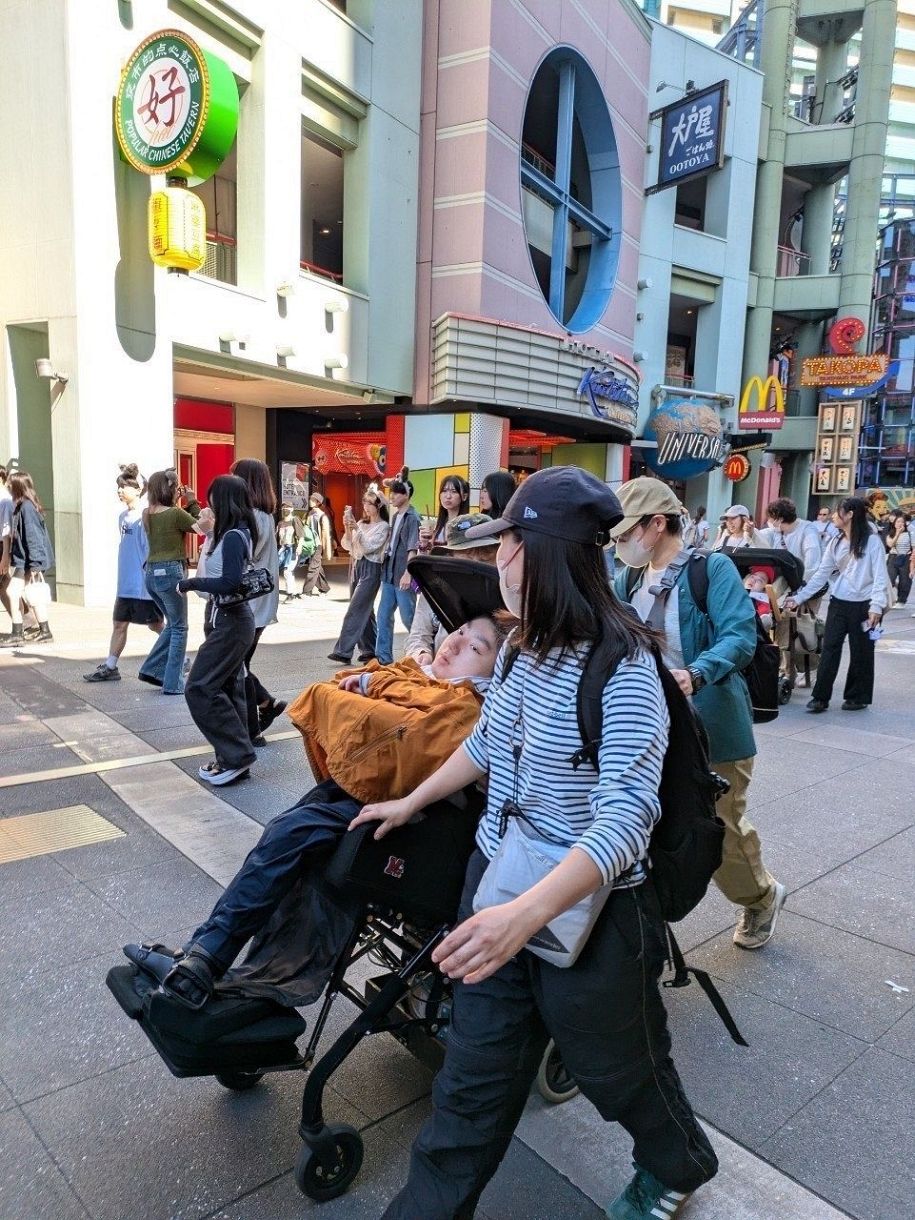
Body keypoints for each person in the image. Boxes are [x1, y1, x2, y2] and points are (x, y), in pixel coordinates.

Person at [358, 466, 718, 1220]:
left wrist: (523, 918)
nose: (498, 560)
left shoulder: (624, 668)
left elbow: (624, 822)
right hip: (497, 886)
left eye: (508, 542)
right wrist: (410, 798)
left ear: (542, 550)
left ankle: (675, 1164)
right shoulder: (524, 649)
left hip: (592, 917)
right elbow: (489, 742)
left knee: (619, 1071)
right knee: (470, 1081)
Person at [123, 615, 507, 1007]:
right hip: (356, 792)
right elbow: (330, 691)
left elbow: (398, 728)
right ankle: (209, 958)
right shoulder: (418, 676)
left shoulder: (468, 706)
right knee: (283, 842)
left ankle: (208, 958)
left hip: (404, 814)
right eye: (458, 632)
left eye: (475, 648)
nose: (455, 644)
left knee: (288, 837)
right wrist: (368, 691)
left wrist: (372, 688)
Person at [611, 477, 786, 952]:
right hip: (651, 726)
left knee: (721, 832)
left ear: (658, 523)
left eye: (629, 532)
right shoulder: (628, 576)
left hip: (712, 728)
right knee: (643, 826)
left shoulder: (713, 568)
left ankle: (761, 896)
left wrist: (696, 673)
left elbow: (740, 636)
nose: (622, 543)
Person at [177, 475, 259, 786]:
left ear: (224, 502)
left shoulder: (235, 536)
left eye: (212, 501)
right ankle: (234, 757)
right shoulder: (230, 533)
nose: (208, 507)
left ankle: (236, 756)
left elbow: (230, 583)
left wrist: (189, 583)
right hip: (227, 619)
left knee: (199, 687)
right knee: (227, 687)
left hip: (233, 620)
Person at [787, 497, 891, 713]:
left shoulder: (872, 542)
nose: (834, 516)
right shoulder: (835, 542)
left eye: (837, 512)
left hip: (865, 606)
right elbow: (821, 574)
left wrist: (876, 607)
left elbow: (881, 576)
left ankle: (857, 697)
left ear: (850, 514)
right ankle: (820, 697)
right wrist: (799, 597)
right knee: (830, 648)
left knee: (862, 651)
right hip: (839, 602)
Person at [83, 465, 164, 682]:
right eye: (118, 487)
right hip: (125, 584)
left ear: (139, 490)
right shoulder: (122, 517)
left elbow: (149, 548)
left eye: (124, 487)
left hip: (142, 585)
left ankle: (179, 657)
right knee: (119, 623)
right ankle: (110, 666)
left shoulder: (145, 516)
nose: (119, 490)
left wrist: (149, 576)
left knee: (156, 624)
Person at [230, 459, 285, 746]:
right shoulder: (265, 515)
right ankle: (266, 706)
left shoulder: (251, 518)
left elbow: (240, 558)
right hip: (261, 602)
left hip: (249, 604)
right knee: (240, 665)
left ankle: (255, 726)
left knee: (236, 667)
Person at [404, 513, 498, 666]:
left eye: (484, 560)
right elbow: (418, 635)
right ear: (451, 558)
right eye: (467, 562)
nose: (476, 568)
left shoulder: (509, 594)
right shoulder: (437, 588)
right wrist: (421, 653)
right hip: (441, 676)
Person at [138, 470, 201, 693]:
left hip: (151, 574)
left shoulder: (147, 513)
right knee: (180, 628)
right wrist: (192, 501)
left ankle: (152, 669)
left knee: (173, 624)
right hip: (172, 572)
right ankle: (173, 683)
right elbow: (201, 527)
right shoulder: (175, 514)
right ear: (171, 489)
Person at [327, 491, 390, 665]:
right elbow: (347, 545)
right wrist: (348, 527)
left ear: (378, 506)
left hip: (372, 568)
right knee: (365, 611)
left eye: (370, 503)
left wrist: (356, 529)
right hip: (357, 565)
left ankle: (343, 650)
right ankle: (369, 649)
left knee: (356, 609)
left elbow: (370, 547)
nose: (366, 506)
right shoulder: (362, 523)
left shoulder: (383, 526)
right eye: (364, 502)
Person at [0, 472, 55, 647]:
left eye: (10, 484)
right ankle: (43, 631)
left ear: (17, 486)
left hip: (29, 561)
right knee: (23, 594)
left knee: (14, 592)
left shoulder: (26, 508)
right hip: (26, 560)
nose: (7, 487)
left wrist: (35, 565)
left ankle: (19, 632)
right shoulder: (24, 506)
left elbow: (33, 537)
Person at [375, 471, 421, 665]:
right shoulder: (397, 515)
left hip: (402, 573)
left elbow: (413, 547)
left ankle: (422, 652)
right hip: (389, 572)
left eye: (396, 493)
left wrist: (407, 574)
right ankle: (383, 657)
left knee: (409, 617)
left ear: (406, 494)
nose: (392, 496)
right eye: (391, 492)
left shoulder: (412, 517)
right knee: (383, 615)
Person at [760, 497, 821, 584]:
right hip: (786, 582)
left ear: (780, 519)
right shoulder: (777, 531)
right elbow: (761, 537)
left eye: (770, 519)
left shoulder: (808, 530)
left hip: (805, 584)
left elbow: (812, 561)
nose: (768, 522)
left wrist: (802, 585)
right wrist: (750, 533)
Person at [418, 474, 470, 553]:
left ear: (464, 496)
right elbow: (424, 560)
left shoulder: (467, 525)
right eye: (444, 491)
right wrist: (424, 544)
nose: (448, 496)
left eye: (454, 491)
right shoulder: (437, 526)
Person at [301, 493, 332, 596]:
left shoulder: (322, 515)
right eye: (310, 499)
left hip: (318, 545)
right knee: (317, 567)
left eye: (313, 500)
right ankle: (324, 588)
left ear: (318, 502)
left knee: (313, 567)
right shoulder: (309, 513)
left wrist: (323, 547)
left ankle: (306, 591)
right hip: (311, 544)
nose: (310, 501)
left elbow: (326, 533)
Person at [885, 509, 912, 607]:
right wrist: (897, 533)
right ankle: (887, 598)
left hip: (906, 558)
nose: (900, 523)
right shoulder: (890, 534)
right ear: (894, 523)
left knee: (905, 580)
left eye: (902, 522)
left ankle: (901, 601)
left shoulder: (910, 533)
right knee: (889, 578)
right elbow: (890, 544)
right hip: (893, 557)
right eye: (898, 522)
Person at [276, 503, 302, 601]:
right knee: (286, 571)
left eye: (287, 507)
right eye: (283, 508)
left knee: (288, 571)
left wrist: (299, 547)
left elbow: (301, 535)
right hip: (283, 550)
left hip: (293, 549)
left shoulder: (295, 520)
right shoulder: (280, 523)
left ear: (292, 509)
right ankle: (293, 592)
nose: (285, 509)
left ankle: (290, 593)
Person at [0, 464, 13, 624]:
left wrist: (5, 554)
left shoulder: (5, 499)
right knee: (5, 585)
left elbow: (7, 528)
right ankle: (26, 621)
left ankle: (26, 621)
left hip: (2, 544)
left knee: (6, 585)